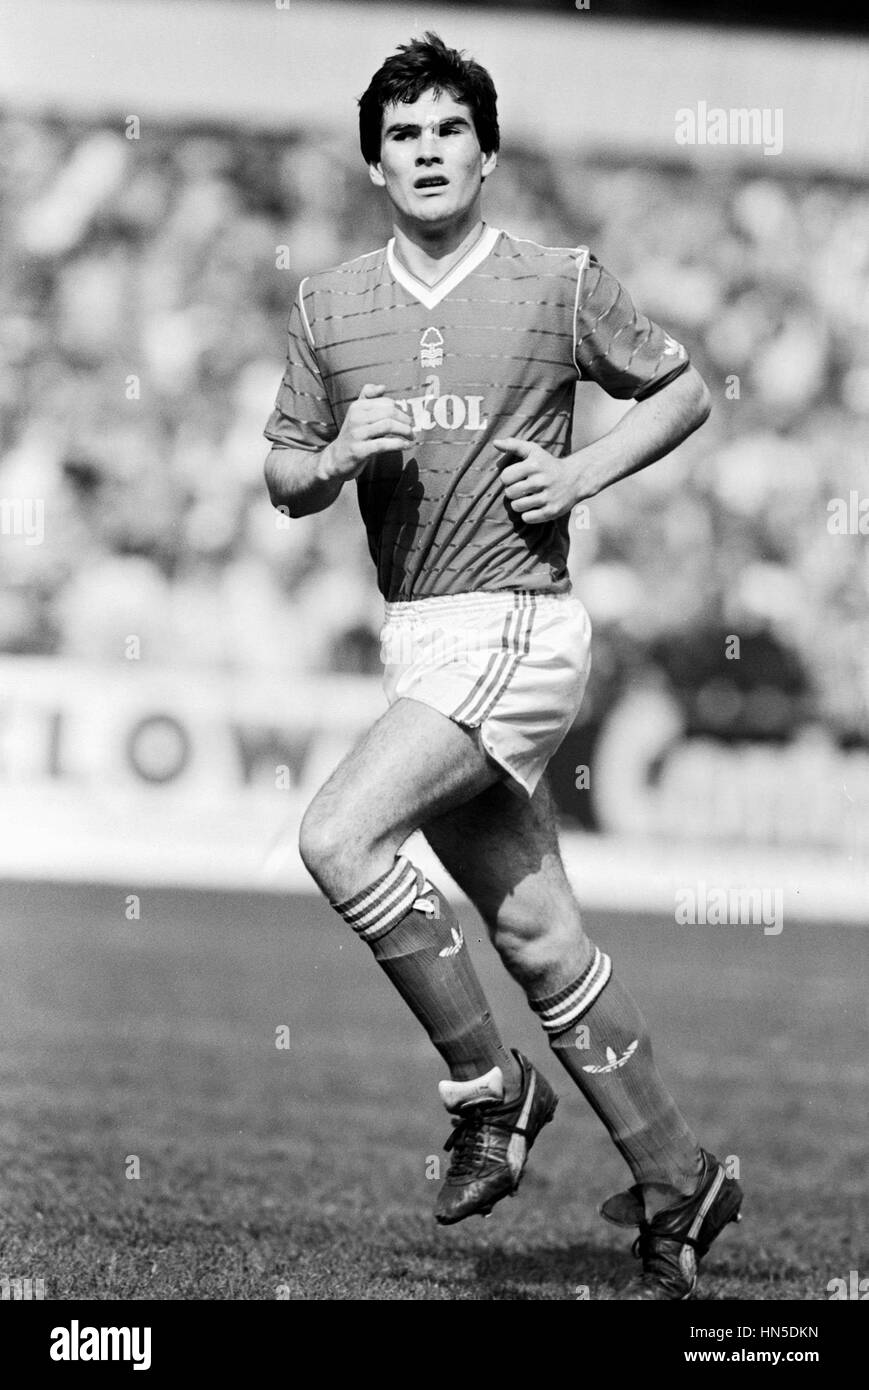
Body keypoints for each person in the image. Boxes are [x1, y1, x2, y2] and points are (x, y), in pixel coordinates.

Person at [263, 32, 742, 1300]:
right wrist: (332, 459)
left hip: (518, 623)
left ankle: (489, 1088)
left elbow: (684, 391)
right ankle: (679, 1176)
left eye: (447, 130)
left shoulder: (554, 282)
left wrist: (580, 473)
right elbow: (281, 476)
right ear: (376, 163)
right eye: (403, 134)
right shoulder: (328, 308)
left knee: (337, 837)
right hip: (420, 634)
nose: (426, 151)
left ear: (485, 151)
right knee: (536, 938)